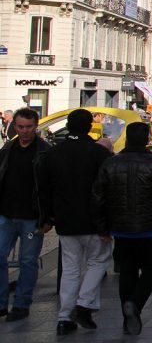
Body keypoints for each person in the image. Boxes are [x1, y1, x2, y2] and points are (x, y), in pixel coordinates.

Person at [91, 122, 152, 336]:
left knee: (127, 271)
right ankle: (135, 305)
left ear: (127, 138)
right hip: (148, 227)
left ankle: (127, 315)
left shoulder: (111, 163)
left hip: (121, 228)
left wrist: (102, 227)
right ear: (147, 139)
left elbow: (98, 197)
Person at [37, 108, 113, 335]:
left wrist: (47, 217)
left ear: (68, 126)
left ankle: (64, 316)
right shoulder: (98, 153)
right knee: (98, 261)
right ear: (90, 127)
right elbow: (106, 189)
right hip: (93, 219)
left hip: (65, 220)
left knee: (70, 269)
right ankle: (85, 303)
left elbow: (44, 189)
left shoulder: (52, 153)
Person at [0, 108, 52, 322]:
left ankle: (22, 304)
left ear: (36, 126)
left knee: (28, 261)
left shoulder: (45, 151)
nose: (24, 131)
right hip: (6, 213)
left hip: (32, 217)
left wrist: (49, 218)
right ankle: (2, 303)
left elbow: (50, 187)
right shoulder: (8, 148)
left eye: (29, 127)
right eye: (20, 127)